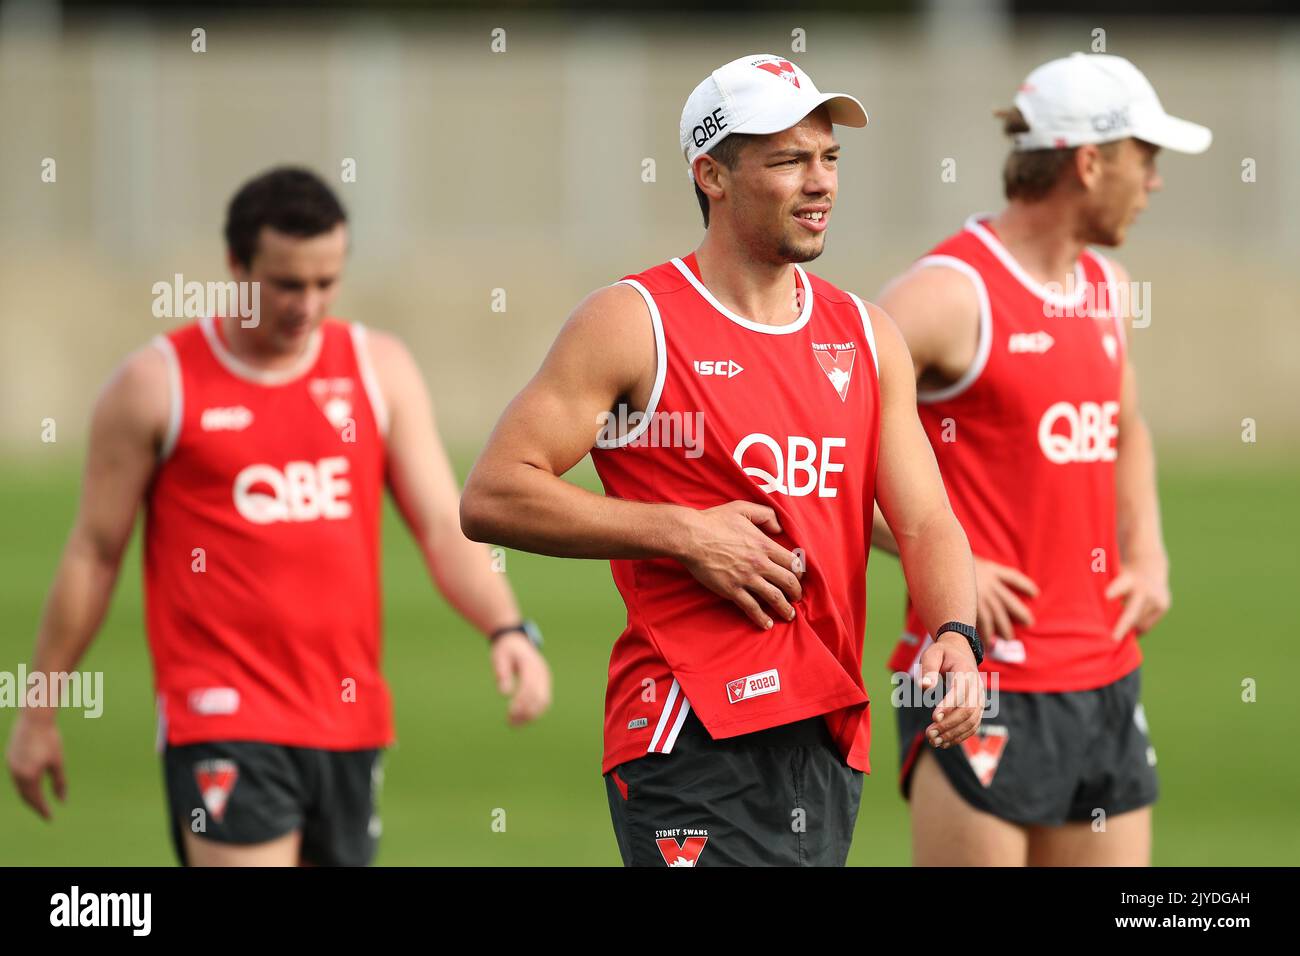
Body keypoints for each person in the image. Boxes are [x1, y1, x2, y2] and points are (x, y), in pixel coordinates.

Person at [460, 54, 982, 867]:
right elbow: (494, 492)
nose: (820, 183)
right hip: (687, 729)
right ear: (712, 174)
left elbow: (924, 519)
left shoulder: (868, 336)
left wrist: (955, 632)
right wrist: (685, 534)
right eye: (788, 161)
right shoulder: (632, 322)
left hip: (826, 727)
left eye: (830, 158)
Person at [6, 167, 551, 866]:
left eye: (327, 283)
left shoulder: (377, 369)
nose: (308, 304)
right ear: (236, 265)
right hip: (221, 717)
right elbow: (94, 552)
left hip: (349, 723)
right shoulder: (155, 386)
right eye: (287, 284)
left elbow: (444, 525)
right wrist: (40, 708)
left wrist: (505, 626)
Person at [873, 53, 1209, 865]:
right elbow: (819, 445)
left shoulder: (1111, 289)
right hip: (974, 682)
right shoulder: (950, 294)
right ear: (1091, 162)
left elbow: (1125, 427)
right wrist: (946, 565)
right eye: (1146, 158)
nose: (1155, 182)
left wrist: (1150, 550)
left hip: (1102, 677)